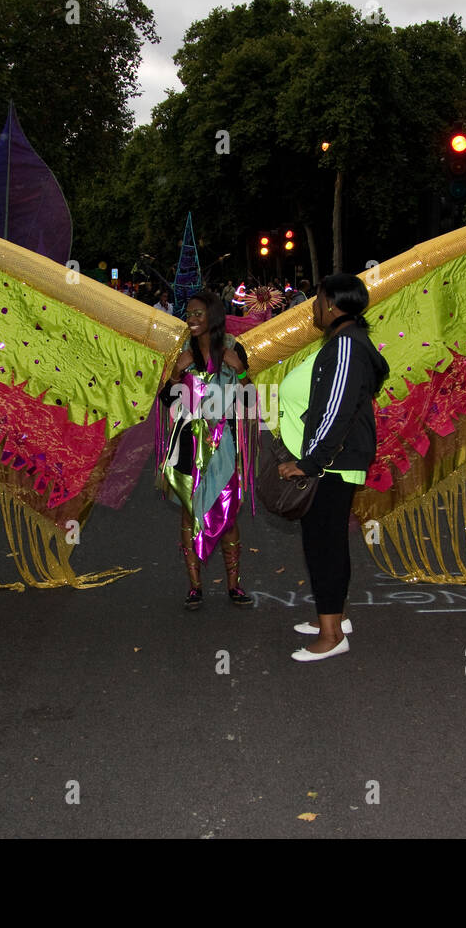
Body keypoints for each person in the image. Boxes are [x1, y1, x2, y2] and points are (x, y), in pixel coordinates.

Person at [277, 273, 389, 662]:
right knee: (327, 541)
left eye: (318, 299)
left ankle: (331, 635)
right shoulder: (347, 341)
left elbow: (336, 411)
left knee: (323, 544)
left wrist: (309, 463)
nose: (313, 306)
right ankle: (333, 618)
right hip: (336, 461)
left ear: (333, 305)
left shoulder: (345, 346)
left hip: (333, 464)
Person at [159, 290, 254, 609]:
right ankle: (194, 587)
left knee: (226, 515)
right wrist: (176, 375)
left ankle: (234, 585)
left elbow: (251, 402)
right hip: (187, 443)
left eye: (198, 313)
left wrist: (239, 370)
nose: (191, 319)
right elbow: (167, 402)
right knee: (189, 512)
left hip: (222, 443)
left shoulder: (232, 348)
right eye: (189, 314)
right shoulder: (184, 352)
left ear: (213, 316)